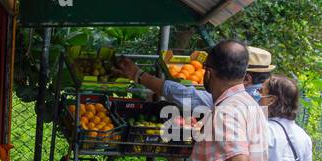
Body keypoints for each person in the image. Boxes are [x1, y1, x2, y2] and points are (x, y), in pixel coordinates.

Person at [115, 45, 274, 110]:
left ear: (247, 78)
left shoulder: (234, 103)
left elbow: (185, 95)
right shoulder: (275, 99)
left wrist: (138, 75)